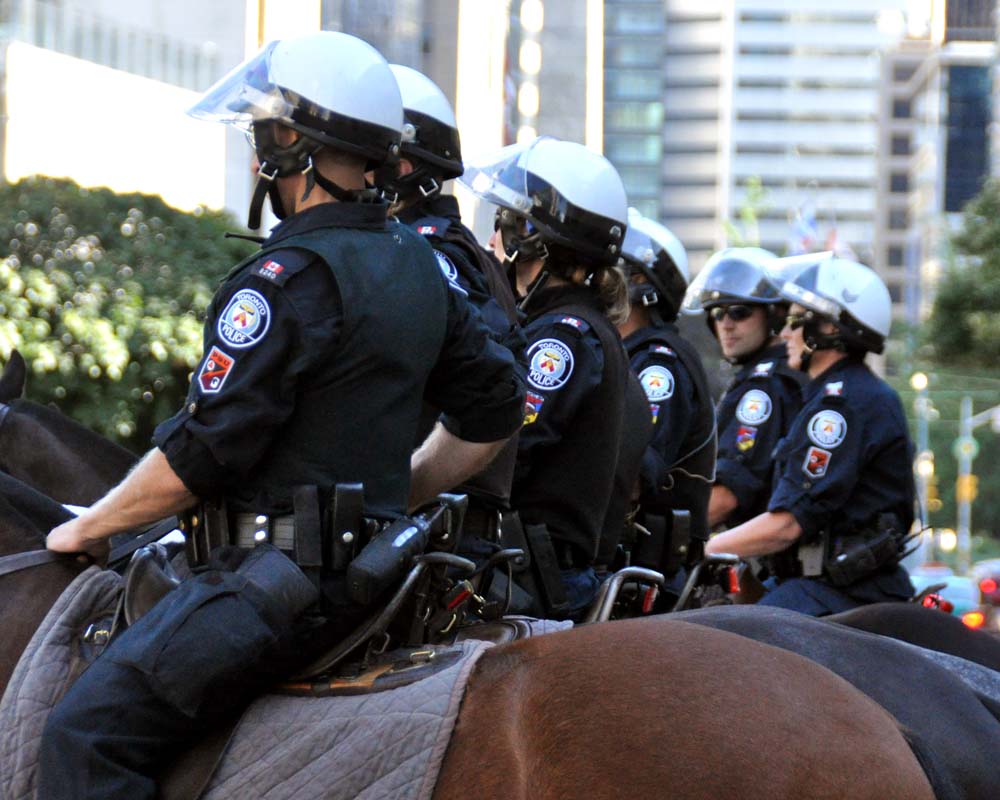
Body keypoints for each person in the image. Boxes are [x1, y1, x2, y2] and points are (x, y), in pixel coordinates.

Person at [39, 32, 524, 799]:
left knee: (83, 737)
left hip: (269, 588)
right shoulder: (421, 267)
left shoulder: (285, 280)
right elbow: (495, 409)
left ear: (289, 144)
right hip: (378, 572)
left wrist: (84, 527)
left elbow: (198, 459)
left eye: (263, 135)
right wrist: (406, 487)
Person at [459, 136, 637, 620]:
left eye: (501, 228)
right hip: (538, 570)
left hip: (533, 578)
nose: (493, 245)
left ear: (528, 241)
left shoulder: (561, 339)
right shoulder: (580, 327)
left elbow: (509, 445)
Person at [705, 254, 916, 615]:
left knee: (727, 648)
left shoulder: (841, 406)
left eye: (794, 321)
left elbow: (787, 524)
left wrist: (701, 549)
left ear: (829, 329)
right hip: (816, 584)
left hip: (843, 591)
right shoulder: (833, 394)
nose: (784, 333)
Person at [373, 64, 524, 567]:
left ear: (401, 169)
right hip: (431, 522)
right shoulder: (452, 249)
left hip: (428, 530)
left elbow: (493, 372)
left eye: (360, 157)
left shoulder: (428, 251)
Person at [615, 209, 716, 598]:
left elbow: (634, 476)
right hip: (632, 569)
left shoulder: (658, 365)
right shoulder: (624, 355)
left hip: (650, 580)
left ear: (638, 283)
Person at [681, 248, 805, 529]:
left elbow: (727, 496)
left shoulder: (763, 389)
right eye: (716, 313)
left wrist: (663, 541)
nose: (725, 324)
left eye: (739, 312)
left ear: (773, 315)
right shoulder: (775, 376)